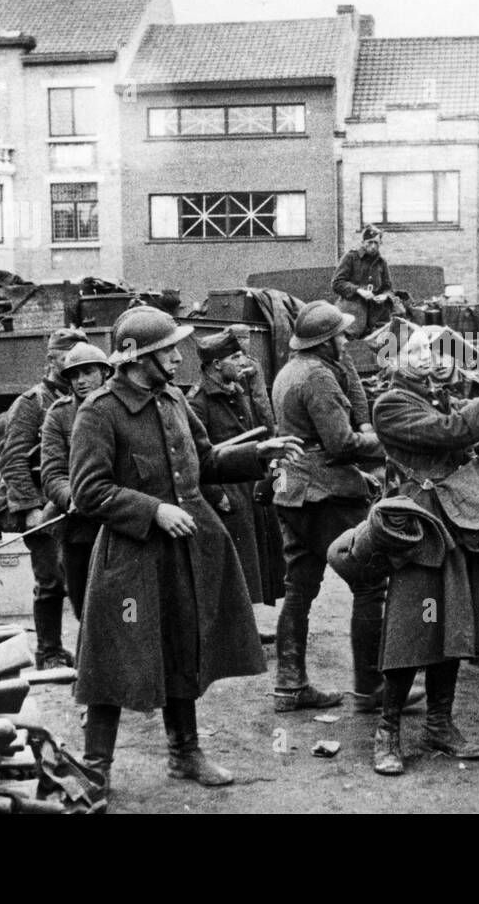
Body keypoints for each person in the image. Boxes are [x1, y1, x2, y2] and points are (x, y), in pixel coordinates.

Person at [70, 306, 302, 794]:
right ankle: (95, 769)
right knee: (114, 659)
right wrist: (152, 510)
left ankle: (185, 754)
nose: (178, 359)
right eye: (166, 351)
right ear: (135, 358)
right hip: (130, 561)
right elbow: (89, 491)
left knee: (183, 649)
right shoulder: (99, 411)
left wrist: (256, 455)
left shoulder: (172, 398)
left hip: (184, 556)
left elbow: (205, 460)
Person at [368, 329, 479, 774]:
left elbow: (471, 423)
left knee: (452, 624)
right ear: (394, 360)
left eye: (430, 350)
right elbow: (451, 432)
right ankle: (388, 730)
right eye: (414, 352)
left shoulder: (433, 396)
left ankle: (440, 723)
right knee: (410, 629)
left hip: (456, 524)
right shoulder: (391, 404)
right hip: (420, 530)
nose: (426, 358)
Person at [271, 300, 398, 713]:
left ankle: (290, 684)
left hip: (291, 491)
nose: (346, 340)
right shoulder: (319, 378)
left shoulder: (290, 370)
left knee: (299, 586)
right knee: (369, 580)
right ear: (326, 342)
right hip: (324, 494)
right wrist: (383, 438)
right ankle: (370, 688)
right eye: (340, 335)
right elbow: (341, 444)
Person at [0, 327, 86, 668]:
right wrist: (31, 509)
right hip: (42, 504)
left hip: (77, 505)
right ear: (51, 360)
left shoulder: (88, 399)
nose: (73, 365)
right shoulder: (31, 403)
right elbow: (13, 459)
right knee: (50, 580)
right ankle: (48, 651)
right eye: (66, 357)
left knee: (81, 580)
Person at [188, 329, 286, 609]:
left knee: (253, 564)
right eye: (235, 356)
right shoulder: (198, 402)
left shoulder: (238, 391)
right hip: (226, 493)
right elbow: (195, 458)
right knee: (232, 567)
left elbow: (265, 429)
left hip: (249, 485)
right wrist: (217, 496)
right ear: (217, 364)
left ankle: (245, 627)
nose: (243, 361)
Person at [40, 341, 111, 621]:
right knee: (85, 607)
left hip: (121, 523)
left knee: (129, 607)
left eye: (88, 372)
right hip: (79, 527)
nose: (81, 381)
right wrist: (73, 497)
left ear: (104, 372)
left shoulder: (122, 407)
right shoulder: (58, 416)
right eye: (74, 375)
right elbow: (52, 473)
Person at [332, 225, 398, 337]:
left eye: (376, 243)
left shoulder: (382, 262)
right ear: (363, 242)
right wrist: (358, 290)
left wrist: (385, 296)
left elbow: (388, 288)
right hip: (351, 314)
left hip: (375, 316)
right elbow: (337, 283)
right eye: (370, 242)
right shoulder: (351, 257)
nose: (373, 246)